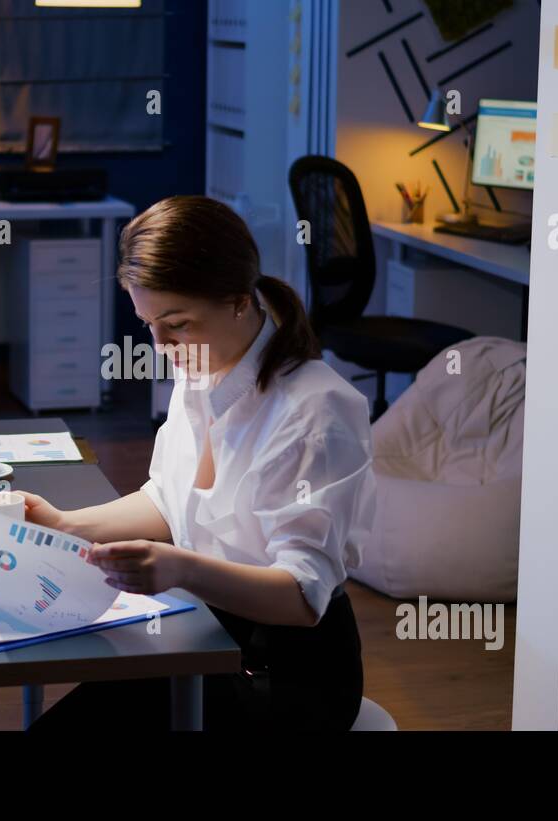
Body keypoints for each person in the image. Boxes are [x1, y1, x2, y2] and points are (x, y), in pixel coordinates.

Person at [23, 195, 375, 731]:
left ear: (238, 301)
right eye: (148, 325)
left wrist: (179, 567)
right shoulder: (200, 363)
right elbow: (165, 500)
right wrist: (63, 523)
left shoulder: (317, 411)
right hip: (204, 633)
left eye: (176, 323)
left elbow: (303, 597)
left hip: (287, 673)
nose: (162, 345)